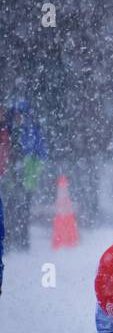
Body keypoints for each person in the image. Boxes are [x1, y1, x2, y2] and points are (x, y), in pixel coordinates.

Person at [0, 99, 48, 250]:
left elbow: (40, 156)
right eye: (16, 114)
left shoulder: (32, 131)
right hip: (12, 177)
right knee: (10, 209)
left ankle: (22, 241)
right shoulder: (8, 131)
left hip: (25, 178)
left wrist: (33, 176)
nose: (18, 117)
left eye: (21, 114)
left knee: (23, 210)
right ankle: (12, 240)